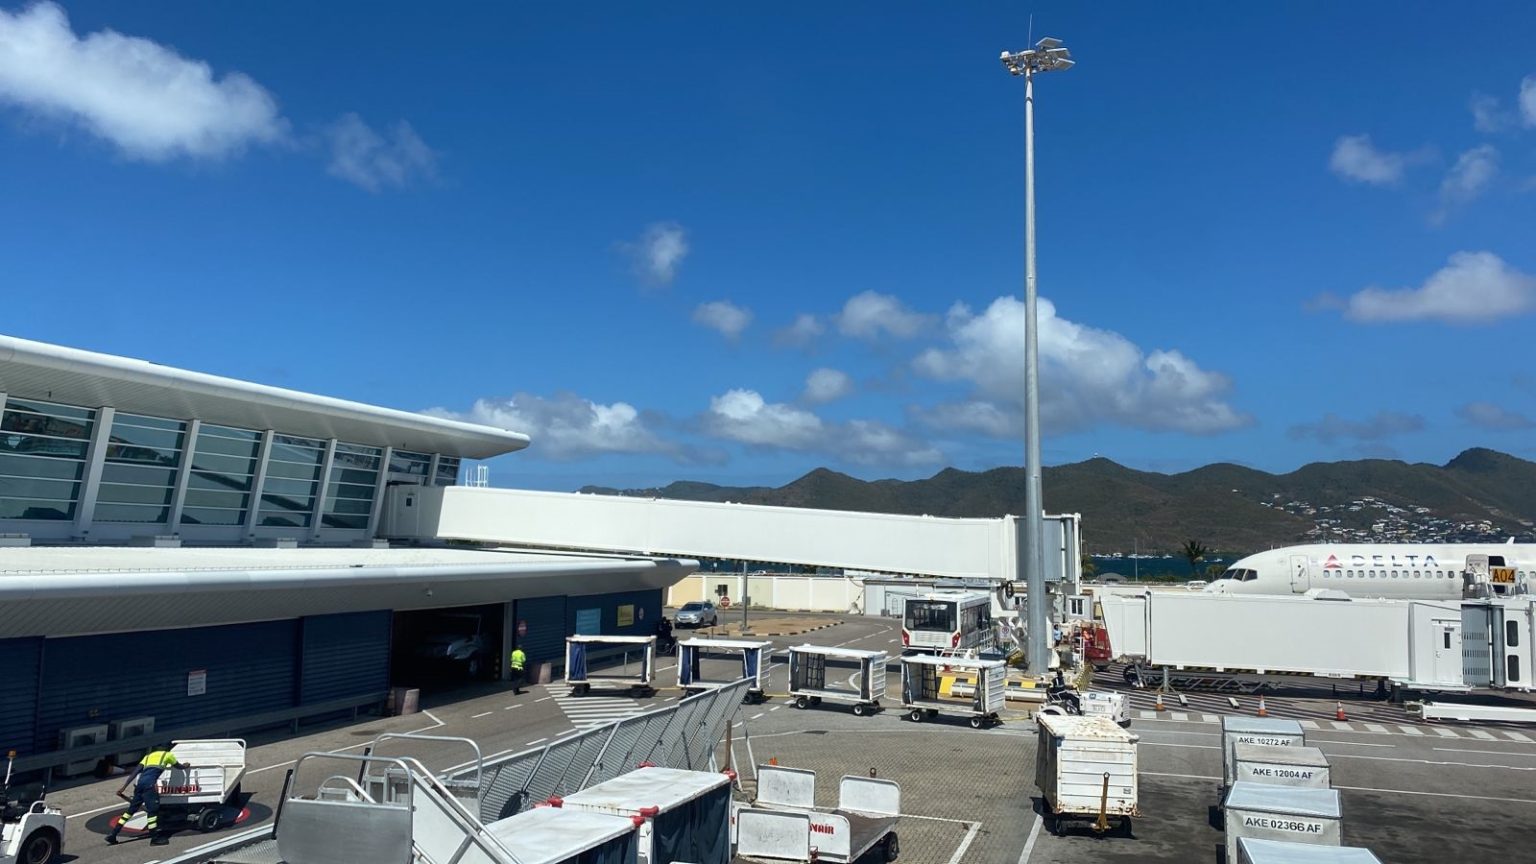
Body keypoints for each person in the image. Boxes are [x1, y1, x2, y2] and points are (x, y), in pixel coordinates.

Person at [108, 744, 193, 846]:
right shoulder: (167, 755)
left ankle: (113, 834)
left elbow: (134, 773)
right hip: (149, 786)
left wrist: (123, 788)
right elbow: (179, 766)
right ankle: (155, 838)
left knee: (130, 812)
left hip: (140, 786)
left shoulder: (148, 757)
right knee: (153, 811)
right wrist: (186, 766)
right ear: (167, 749)